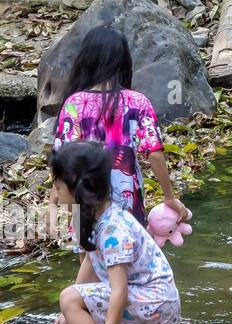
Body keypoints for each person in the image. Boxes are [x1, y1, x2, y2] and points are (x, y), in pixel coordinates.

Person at [50, 141, 190, 324]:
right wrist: (73, 307)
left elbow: (119, 290)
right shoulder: (90, 214)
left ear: (78, 188)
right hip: (150, 297)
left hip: (153, 299)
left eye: (57, 186)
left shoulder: (114, 229)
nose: (53, 194)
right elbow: (91, 258)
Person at [53, 26, 189, 226]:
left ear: (86, 61)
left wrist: (54, 199)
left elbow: (62, 156)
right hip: (129, 204)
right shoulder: (138, 102)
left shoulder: (74, 104)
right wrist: (168, 196)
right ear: (124, 62)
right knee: (127, 254)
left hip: (86, 203)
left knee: (89, 256)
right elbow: (154, 153)